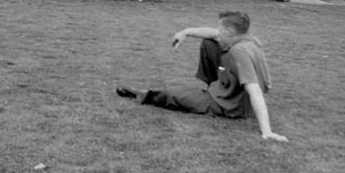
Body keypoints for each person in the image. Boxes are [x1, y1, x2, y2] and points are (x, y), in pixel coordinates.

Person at [115, 11, 288, 142]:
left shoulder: (239, 52)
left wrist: (267, 131)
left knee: (176, 95)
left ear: (229, 31)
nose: (217, 33)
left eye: (220, 30)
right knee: (209, 43)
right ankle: (210, 91)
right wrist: (186, 32)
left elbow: (255, 90)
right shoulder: (247, 40)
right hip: (232, 95)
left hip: (232, 106)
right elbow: (211, 33)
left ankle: (142, 94)